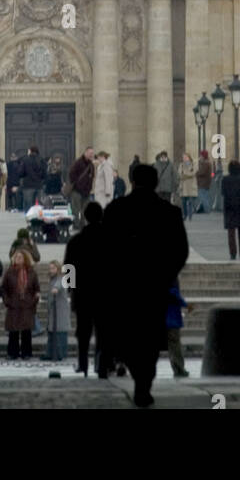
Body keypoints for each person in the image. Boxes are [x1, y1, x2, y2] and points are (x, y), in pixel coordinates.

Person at [101, 162, 189, 407]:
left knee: (130, 334)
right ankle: (143, 383)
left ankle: (139, 378)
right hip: (155, 286)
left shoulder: (116, 209)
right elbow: (181, 251)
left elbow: (104, 249)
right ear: (156, 183)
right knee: (150, 338)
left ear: (131, 181)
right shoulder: (169, 212)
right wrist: (165, 276)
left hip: (125, 287)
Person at [63, 200, 107, 377]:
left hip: (83, 295)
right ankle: (102, 365)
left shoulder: (76, 241)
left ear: (85, 217)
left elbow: (69, 268)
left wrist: (70, 289)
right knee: (104, 332)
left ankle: (83, 364)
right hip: (105, 294)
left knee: (83, 332)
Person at [1, 249, 40, 361]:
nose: (18, 259)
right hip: (13, 305)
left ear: (25, 259)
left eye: (20, 257)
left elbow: (36, 289)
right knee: (13, 331)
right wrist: (7, 301)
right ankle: (12, 353)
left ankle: (26, 353)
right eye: (16, 257)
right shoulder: (9, 272)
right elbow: (4, 289)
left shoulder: (32, 272)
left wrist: (33, 301)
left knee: (26, 331)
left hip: (27, 305)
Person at [221, 158, 240, 260]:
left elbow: (223, 193)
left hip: (229, 208)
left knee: (231, 233)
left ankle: (232, 253)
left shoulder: (225, 180)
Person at [43, 259, 70, 361]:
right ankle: (50, 353)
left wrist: (55, 289)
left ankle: (60, 354)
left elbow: (58, 285)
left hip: (60, 313)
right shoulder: (52, 279)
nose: (51, 270)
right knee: (52, 333)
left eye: (53, 268)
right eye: (50, 268)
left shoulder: (61, 279)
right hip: (53, 312)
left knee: (59, 334)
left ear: (58, 269)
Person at [165, 279, 190, 377]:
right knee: (175, 346)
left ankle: (177, 368)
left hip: (169, 318)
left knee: (172, 347)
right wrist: (186, 305)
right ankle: (179, 369)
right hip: (172, 319)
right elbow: (174, 293)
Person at [68, 145, 95, 226]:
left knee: (85, 211)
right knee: (76, 210)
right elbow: (71, 174)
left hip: (86, 192)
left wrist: (90, 188)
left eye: (92, 153)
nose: (91, 155)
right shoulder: (78, 162)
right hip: (77, 191)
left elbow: (92, 176)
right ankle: (76, 225)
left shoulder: (91, 165)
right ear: (85, 153)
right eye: (90, 153)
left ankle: (83, 225)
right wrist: (77, 185)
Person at [19, 145, 46, 209]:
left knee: (28, 205)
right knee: (40, 205)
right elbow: (45, 173)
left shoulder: (25, 159)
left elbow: (21, 173)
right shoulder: (42, 159)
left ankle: (29, 218)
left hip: (28, 185)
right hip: (39, 185)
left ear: (30, 151)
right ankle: (38, 218)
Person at [178, 151, 196, 220]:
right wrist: (187, 174)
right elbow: (179, 174)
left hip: (191, 186)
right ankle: (185, 215)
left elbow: (193, 173)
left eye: (185, 157)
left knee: (190, 202)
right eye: (183, 157)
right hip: (183, 186)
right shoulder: (181, 165)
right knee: (184, 202)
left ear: (189, 157)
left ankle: (190, 215)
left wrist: (185, 174)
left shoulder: (193, 164)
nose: (184, 158)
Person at [195, 149, 212, 213]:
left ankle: (207, 210)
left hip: (203, 183)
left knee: (203, 197)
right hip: (206, 183)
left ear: (203, 156)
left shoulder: (205, 163)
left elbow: (202, 172)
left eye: (201, 155)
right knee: (205, 196)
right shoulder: (207, 163)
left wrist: (195, 173)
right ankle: (203, 209)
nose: (200, 157)